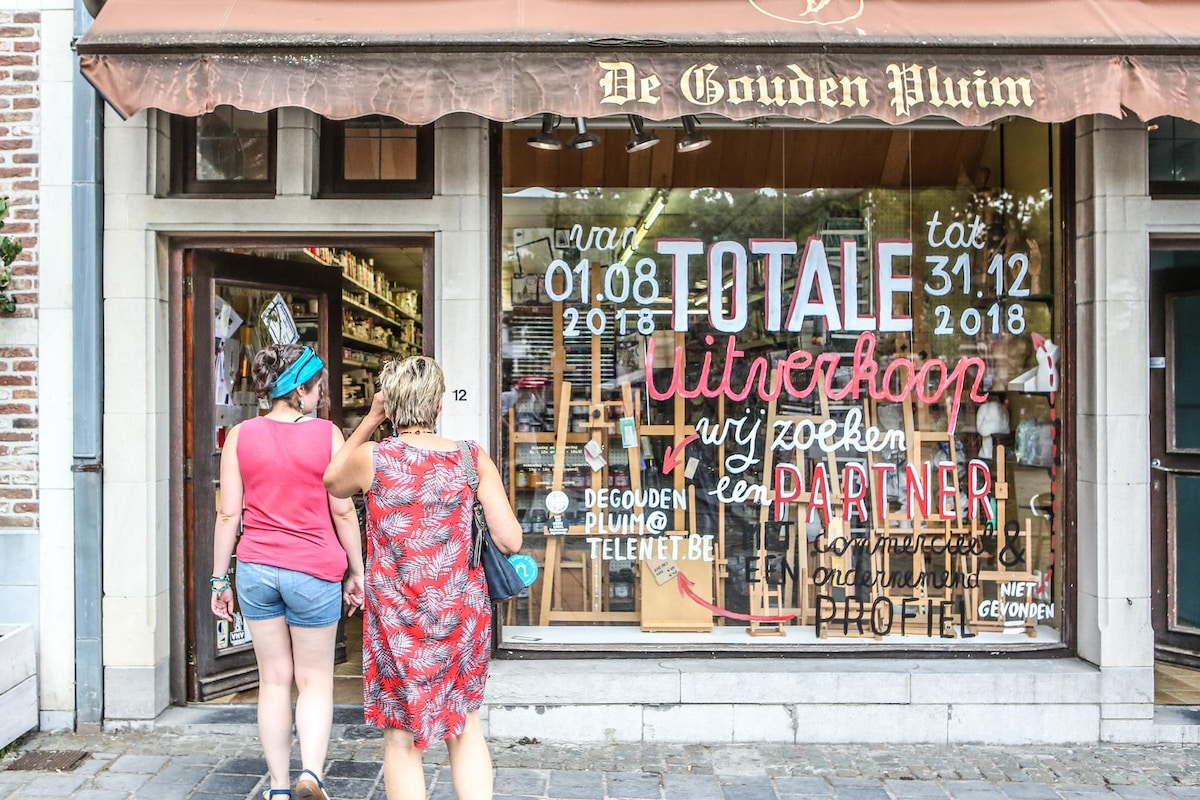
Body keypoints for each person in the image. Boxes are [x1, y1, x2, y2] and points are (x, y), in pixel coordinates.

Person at [323, 356, 522, 800]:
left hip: (397, 620)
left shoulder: (374, 458)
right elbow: (510, 540)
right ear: (438, 403)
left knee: (400, 736)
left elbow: (332, 480)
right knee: (465, 725)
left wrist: (372, 419)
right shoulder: (471, 458)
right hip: (460, 616)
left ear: (391, 404)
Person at [210, 343, 365, 800]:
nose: (320, 395)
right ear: (300, 390)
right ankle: (311, 775)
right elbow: (342, 513)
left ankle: (277, 787)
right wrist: (358, 570)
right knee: (315, 679)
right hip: (314, 570)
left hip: (257, 569)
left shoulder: (240, 436)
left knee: (273, 679)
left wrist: (221, 581)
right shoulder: (327, 436)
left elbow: (227, 516)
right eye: (316, 387)